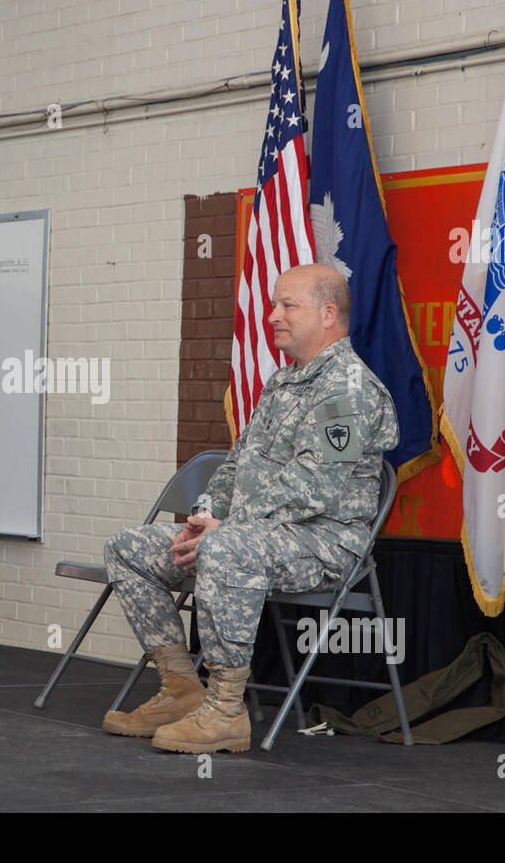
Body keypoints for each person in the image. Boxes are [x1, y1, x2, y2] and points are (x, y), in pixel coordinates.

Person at [101, 263, 398, 754]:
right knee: (128, 547)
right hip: (243, 534)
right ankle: (180, 689)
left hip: (322, 544)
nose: (272, 315)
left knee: (225, 547)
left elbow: (313, 487)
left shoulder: (347, 390)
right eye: (273, 304)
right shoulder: (283, 383)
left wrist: (224, 529)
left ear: (328, 315)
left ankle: (226, 711)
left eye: (287, 305)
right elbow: (234, 468)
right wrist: (201, 518)